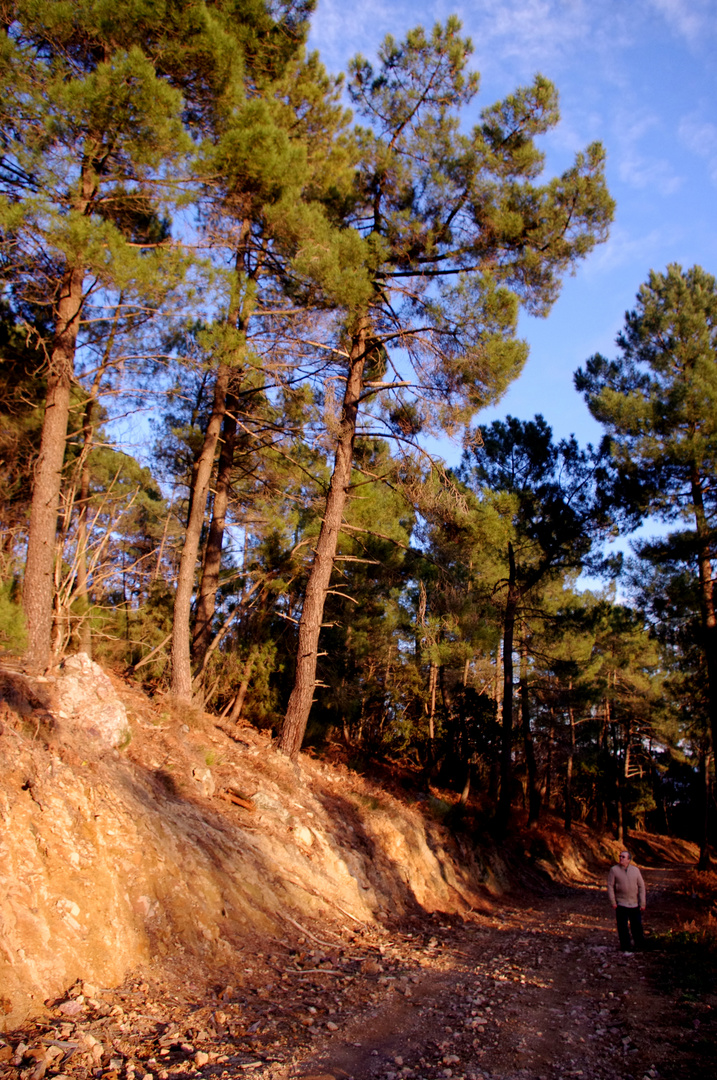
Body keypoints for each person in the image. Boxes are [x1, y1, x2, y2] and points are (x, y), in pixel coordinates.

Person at [606, 849, 646, 952]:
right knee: (622, 927)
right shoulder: (614, 870)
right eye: (620, 856)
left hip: (634, 903)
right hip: (621, 903)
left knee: (637, 926)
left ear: (629, 860)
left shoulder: (636, 870)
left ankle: (640, 945)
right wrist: (613, 901)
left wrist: (642, 902)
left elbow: (641, 886)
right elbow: (610, 886)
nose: (621, 858)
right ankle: (625, 946)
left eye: (623, 857)